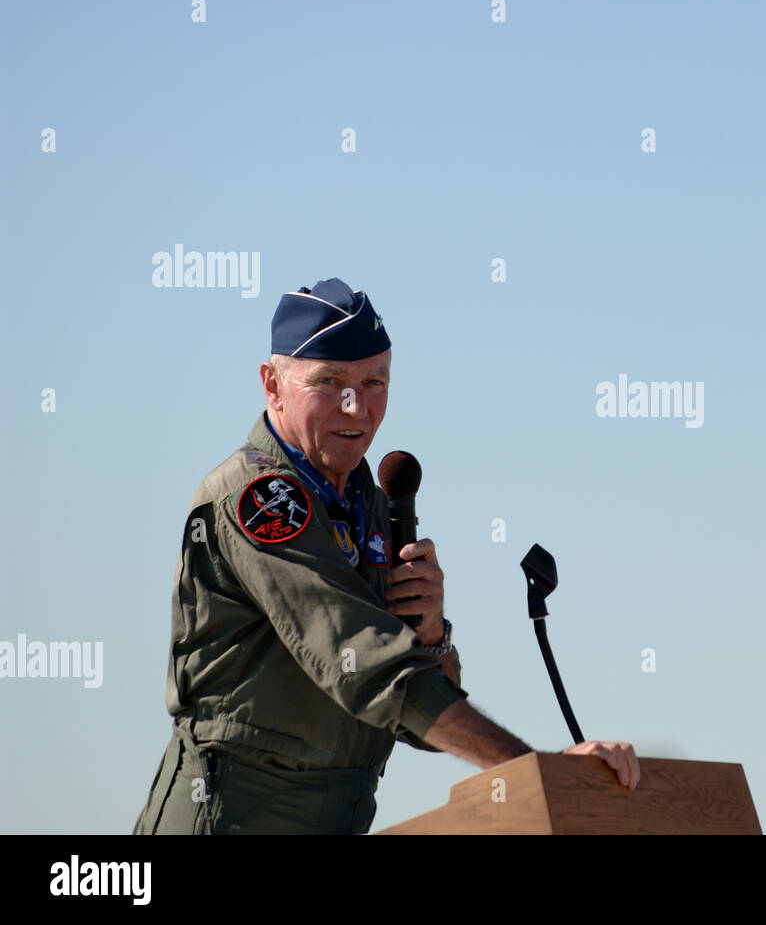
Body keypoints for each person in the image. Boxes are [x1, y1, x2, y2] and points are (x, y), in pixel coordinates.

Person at [133, 278, 639, 834]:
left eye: (375, 381)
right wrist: (536, 773)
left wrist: (430, 639)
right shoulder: (261, 499)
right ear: (271, 384)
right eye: (329, 381)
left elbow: (409, 711)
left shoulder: (370, 507)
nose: (357, 406)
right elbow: (369, 670)